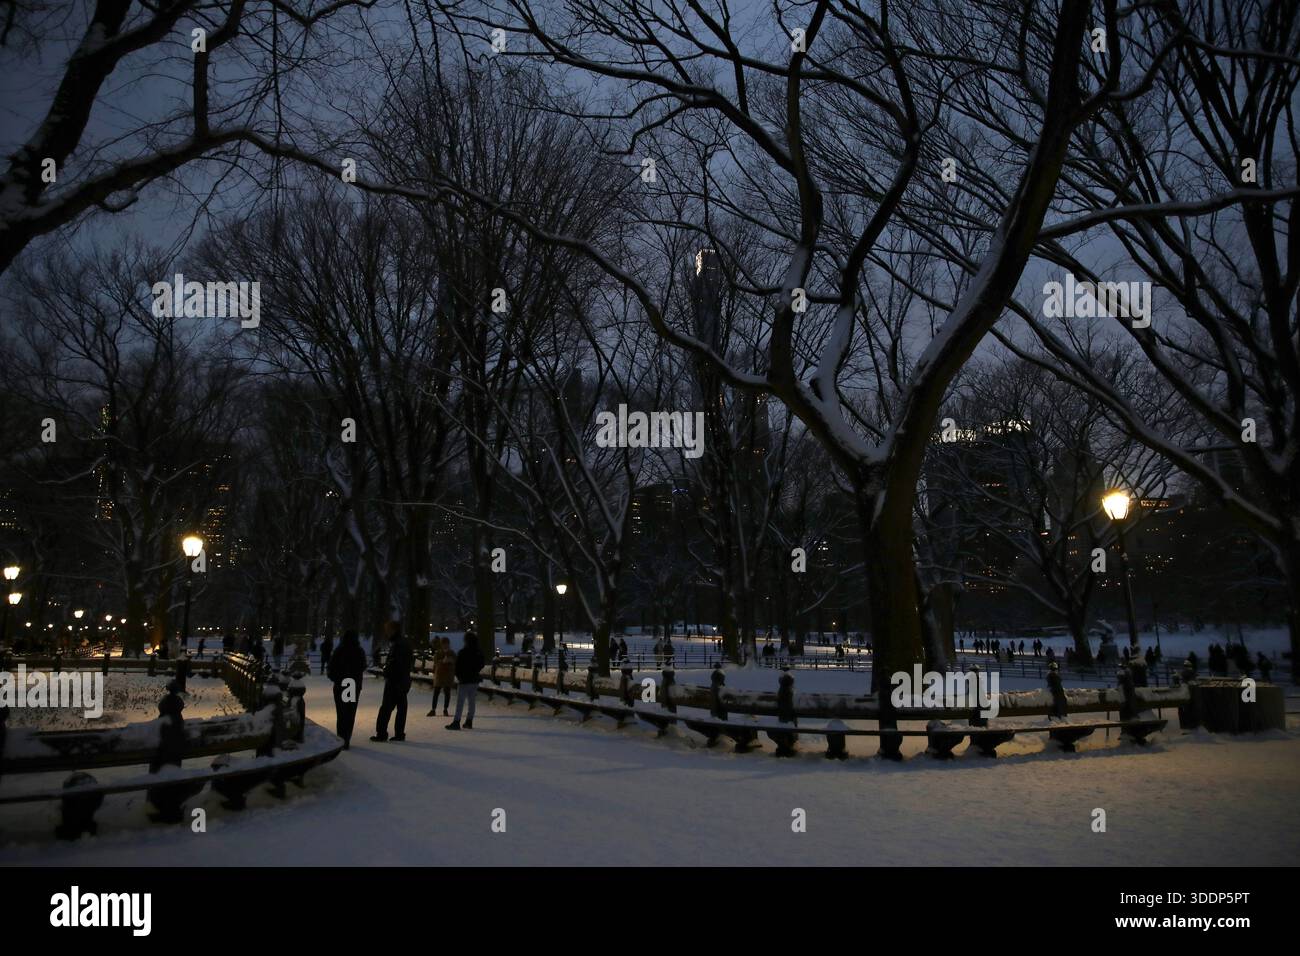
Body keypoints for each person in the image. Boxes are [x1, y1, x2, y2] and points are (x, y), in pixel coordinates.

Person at [371, 623, 413, 742]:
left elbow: (395, 664)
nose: (386, 632)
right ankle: (399, 733)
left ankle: (381, 733)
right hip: (403, 680)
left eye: (388, 630)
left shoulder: (398, 645)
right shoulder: (403, 643)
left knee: (386, 708)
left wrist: (386, 670)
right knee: (401, 708)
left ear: (393, 630)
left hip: (395, 681)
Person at [327, 630, 367, 748]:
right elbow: (362, 666)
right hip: (353, 684)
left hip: (342, 683)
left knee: (341, 712)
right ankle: (346, 737)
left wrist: (337, 678)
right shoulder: (359, 651)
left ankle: (341, 737)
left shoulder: (340, 651)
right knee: (350, 712)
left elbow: (331, 668)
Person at [447, 632, 485, 730]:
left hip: (464, 680)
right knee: (472, 702)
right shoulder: (478, 652)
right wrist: (476, 670)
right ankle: (469, 721)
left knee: (460, 702)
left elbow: (458, 666)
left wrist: (459, 676)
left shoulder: (462, 652)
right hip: (474, 679)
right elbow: (482, 663)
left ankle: (456, 721)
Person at [428, 636, 455, 716]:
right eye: (444, 644)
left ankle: (445, 709)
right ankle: (433, 709)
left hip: (448, 675)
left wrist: (451, 661)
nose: (445, 645)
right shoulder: (438, 653)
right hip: (439, 675)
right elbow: (436, 663)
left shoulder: (452, 653)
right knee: (436, 692)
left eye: (446, 644)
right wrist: (442, 662)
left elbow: (455, 662)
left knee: (447, 693)